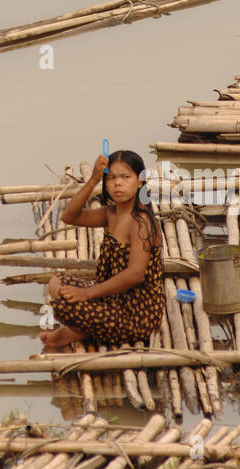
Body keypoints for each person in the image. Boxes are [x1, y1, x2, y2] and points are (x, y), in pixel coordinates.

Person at [37, 149, 164, 352]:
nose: (118, 183)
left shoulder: (141, 222)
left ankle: (81, 331)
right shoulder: (110, 213)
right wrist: (94, 179)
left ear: (140, 182)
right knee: (56, 282)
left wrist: (86, 294)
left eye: (125, 177)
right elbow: (70, 216)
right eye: (112, 178)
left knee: (63, 307)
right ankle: (87, 329)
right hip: (110, 299)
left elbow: (135, 274)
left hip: (135, 314)